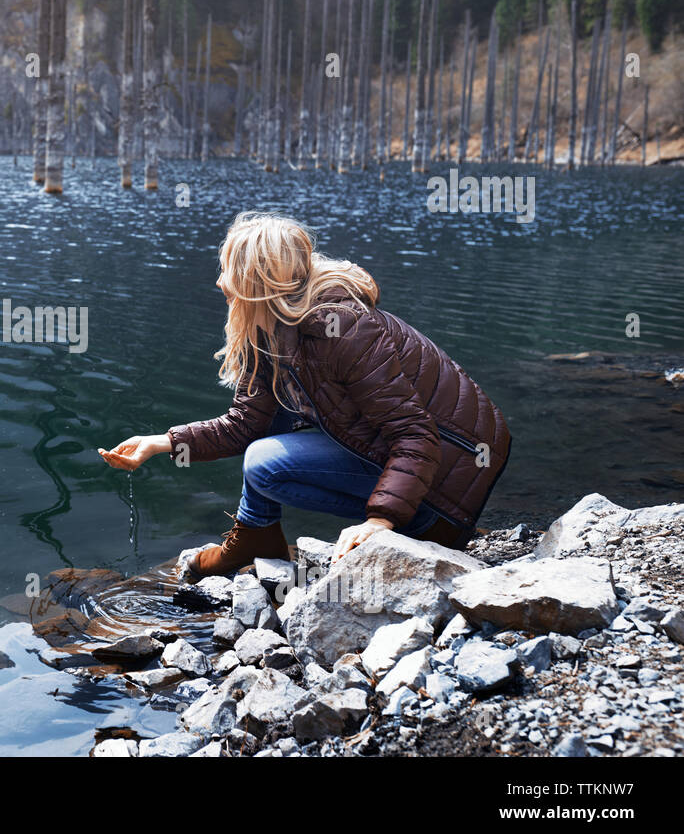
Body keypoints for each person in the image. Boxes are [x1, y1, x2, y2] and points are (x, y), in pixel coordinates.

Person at [98, 212, 510, 580]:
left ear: (254, 281)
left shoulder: (344, 330)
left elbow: (416, 435)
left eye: (227, 270)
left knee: (265, 461)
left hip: (446, 487)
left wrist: (380, 520)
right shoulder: (269, 328)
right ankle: (255, 536)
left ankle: (402, 525)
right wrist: (161, 442)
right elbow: (245, 424)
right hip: (405, 462)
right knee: (269, 426)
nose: (219, 281)